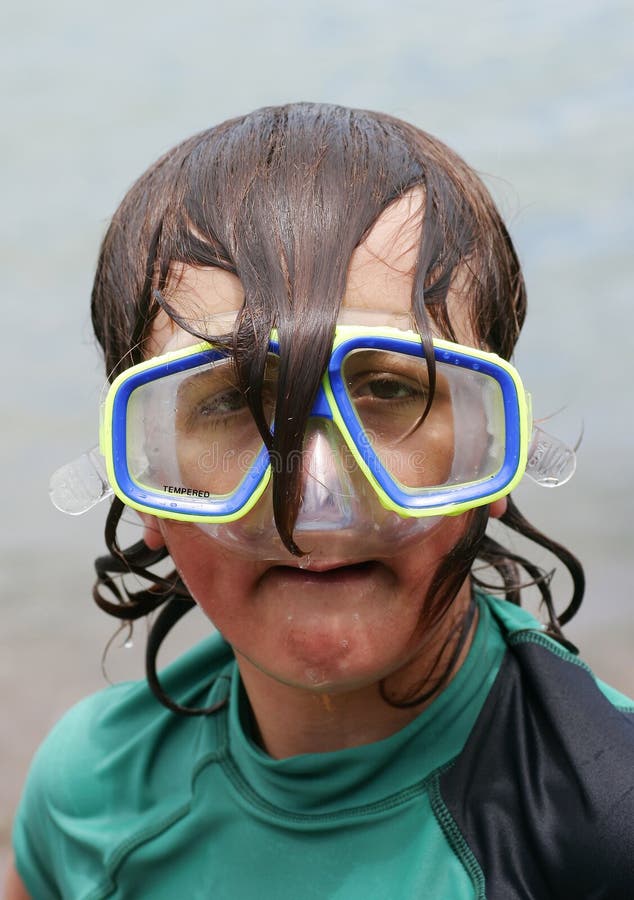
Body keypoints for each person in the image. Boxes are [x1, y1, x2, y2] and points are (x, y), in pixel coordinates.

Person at [6, 103, 634, 900]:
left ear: (496, 451)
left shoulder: (608, 828)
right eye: (231, 401)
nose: (317, 503)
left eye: (389, 389)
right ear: (147, 488)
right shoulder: (87, 797)